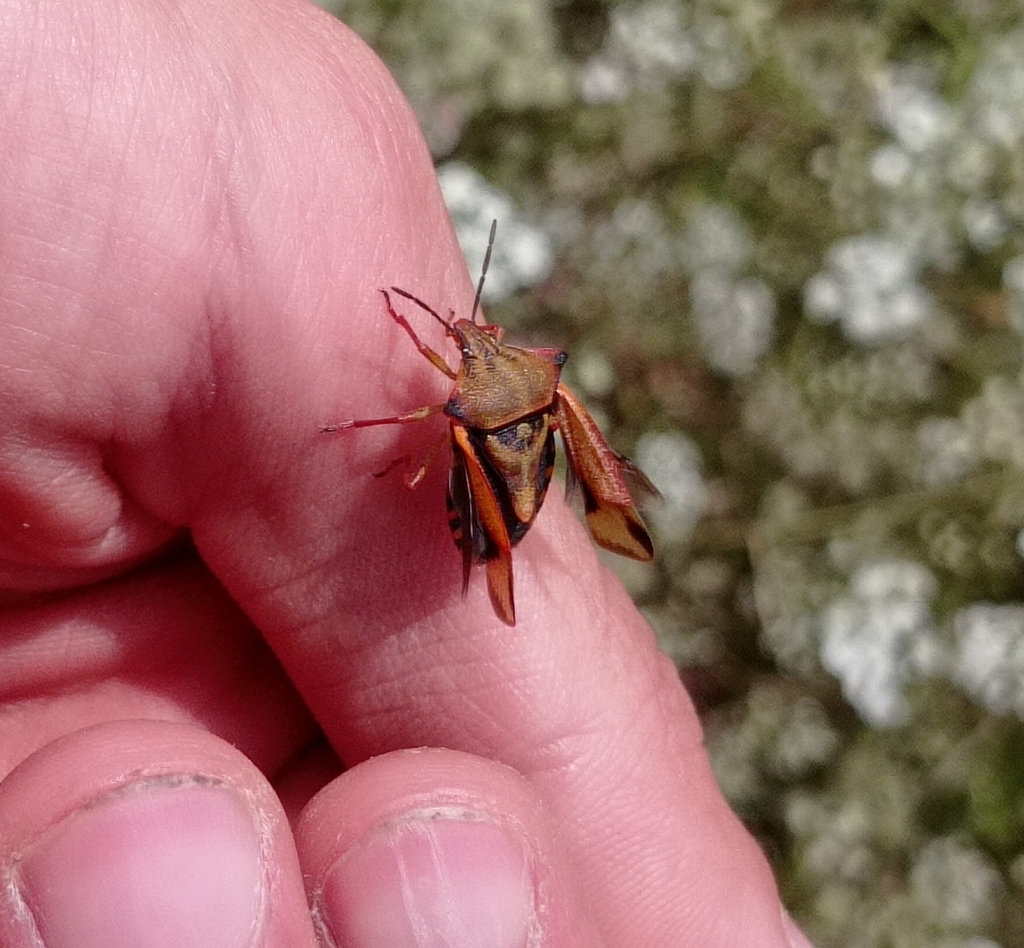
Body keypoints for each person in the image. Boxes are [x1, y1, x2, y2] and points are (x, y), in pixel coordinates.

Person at [0, 1, 812, 945]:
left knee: (442, 457)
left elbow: (429, 413)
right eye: (470, 341)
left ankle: (509, 539)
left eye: (475, 341)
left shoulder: (460, 404)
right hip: (505, 461)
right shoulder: (521, 388)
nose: (472, 340)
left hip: (484, 483)